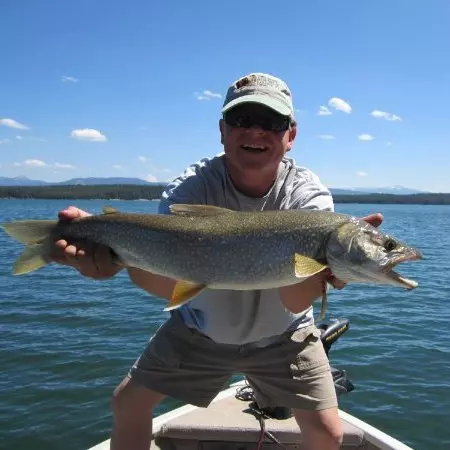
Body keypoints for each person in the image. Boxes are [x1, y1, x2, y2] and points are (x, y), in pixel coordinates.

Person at [50, 72, 383, 450]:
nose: (255, 132)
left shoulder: (309, 199)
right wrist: (116, 263)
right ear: (222, 130)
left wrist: (328, 270)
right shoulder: (189, 189)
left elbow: (292, 302)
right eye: (242, 120)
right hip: (199, 329)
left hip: (284, 335)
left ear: (290, 136)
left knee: (328, 432)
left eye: (270, 123)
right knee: (127, 404)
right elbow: (168, 285)